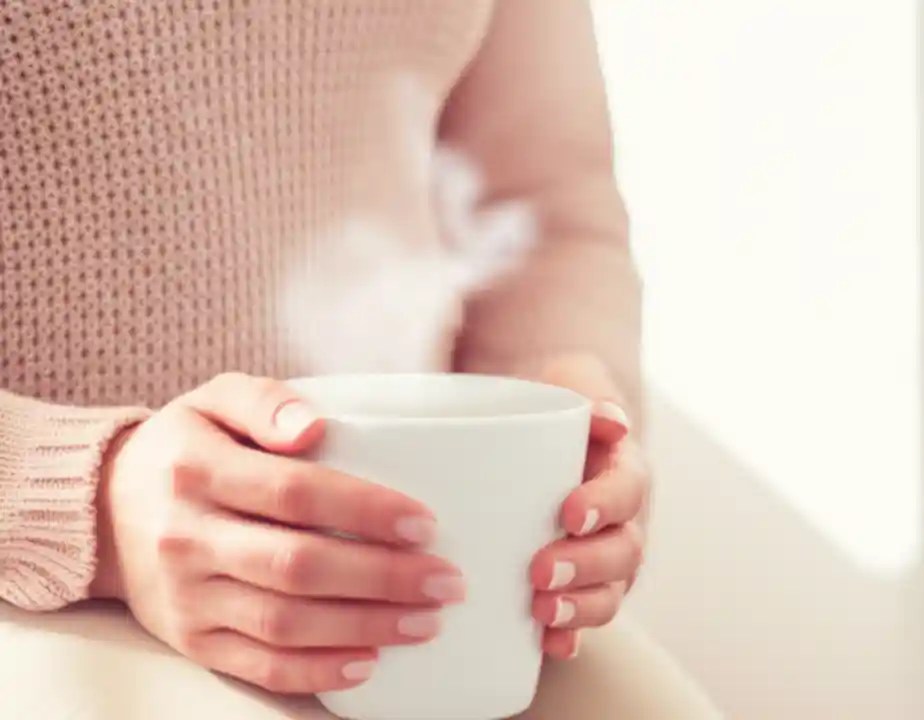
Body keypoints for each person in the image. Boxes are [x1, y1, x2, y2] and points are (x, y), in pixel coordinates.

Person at [0, 2, 709, 716]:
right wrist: (91, 501)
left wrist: (564, 420)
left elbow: (548, 207)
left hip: (435, 594)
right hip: (38, 589)